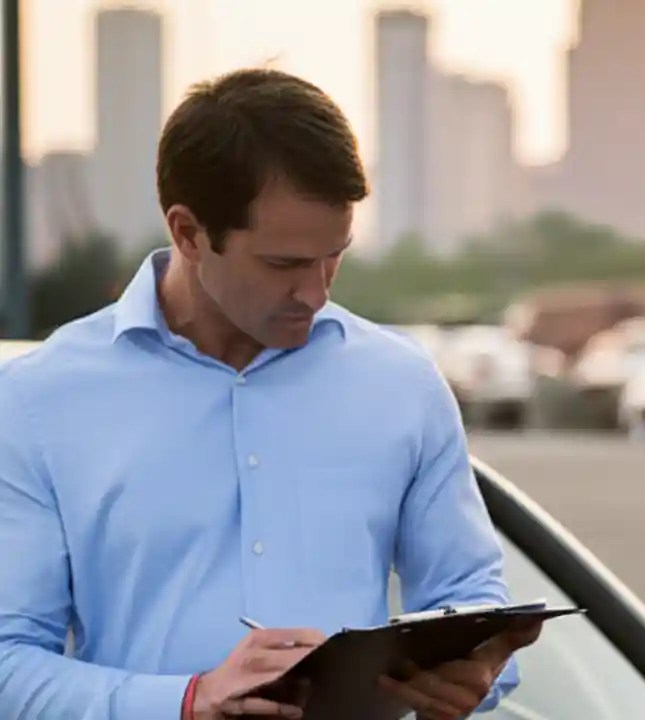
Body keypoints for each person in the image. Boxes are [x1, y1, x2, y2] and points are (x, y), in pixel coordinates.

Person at [0, 68, 539, 720]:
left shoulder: (400, 384)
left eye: (333, 256)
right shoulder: (38, 401)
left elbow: (469, 589)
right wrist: (188, 703)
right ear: (188, 233)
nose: (316, 293)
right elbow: (8, 665)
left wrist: (479, 665)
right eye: (284, 264)